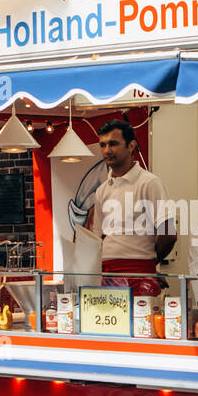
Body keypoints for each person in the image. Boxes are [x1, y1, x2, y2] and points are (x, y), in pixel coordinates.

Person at [85, 119, 174, 294]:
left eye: (113, 144)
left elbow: (169, 234)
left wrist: (149, 263)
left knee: (142, 321)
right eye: (102, 145)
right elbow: (98, 238)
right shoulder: (102, 190)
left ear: (131, 145)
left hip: (139, 272)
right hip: (107, 274)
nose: (107, 150)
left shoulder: (149, 183)